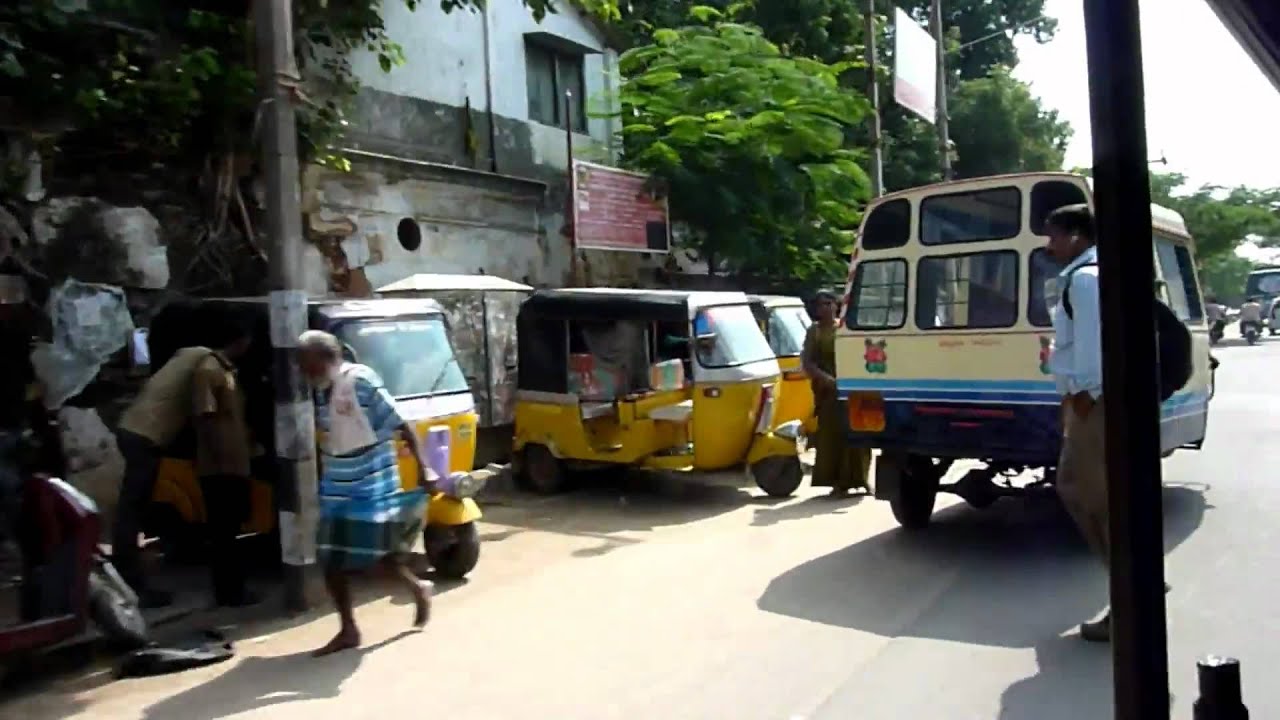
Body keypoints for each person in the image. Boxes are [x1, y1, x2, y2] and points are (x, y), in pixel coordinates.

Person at [298, 330, 434, 657]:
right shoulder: (318, 390)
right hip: (336, 485)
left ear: (324, 358)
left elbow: (401, 424)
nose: (302, 370)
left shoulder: (360, 383)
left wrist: (424, 467)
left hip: (373, 482)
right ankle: (348, 628)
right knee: (330, 555)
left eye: (306, 362)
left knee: (378, 557)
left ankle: (416, 587)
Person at [113, 320, 252, 608]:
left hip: (137, 429)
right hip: (146, 434)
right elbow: (205, 414)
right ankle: (130, 586)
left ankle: (131, 582)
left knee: (133, 511)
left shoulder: (191, 355)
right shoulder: (207, 365)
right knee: (131, 513)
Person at [190, 317, 257, 607]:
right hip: (219, 467)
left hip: (236, 462)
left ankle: (236, 588)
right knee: (223, 533)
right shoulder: (208, 371)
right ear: (238, 340)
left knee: (234, 529)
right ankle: (229, 593)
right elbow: (205, 418)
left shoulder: (227, 371)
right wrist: (219, 458)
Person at [802, 290, 871, 497]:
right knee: (833, 436)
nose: (825, 308)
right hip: (828, 392)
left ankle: (862, 480)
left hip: (852, 388)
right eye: (821, 305)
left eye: (829, 303)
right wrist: (827, 380)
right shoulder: (814, 332)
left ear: (837, 305)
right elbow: (808, 362)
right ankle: (838, 483)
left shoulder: (846, 328)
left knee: (859, 434)